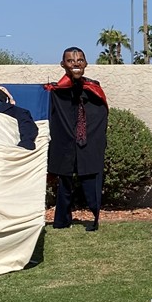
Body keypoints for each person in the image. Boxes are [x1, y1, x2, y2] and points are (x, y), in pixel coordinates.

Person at [44, 48, 109, 230]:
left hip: (89, 143)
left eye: (80, 60)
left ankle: (94, 218)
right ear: (63, 64)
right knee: (64, 181)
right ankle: (62, 220)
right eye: (71, 61)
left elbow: (102, 115)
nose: (76, 63)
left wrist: (95, 138)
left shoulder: (94, 89)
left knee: (91, 180)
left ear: (86, 64)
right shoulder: (55, 92)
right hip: (64, 143)